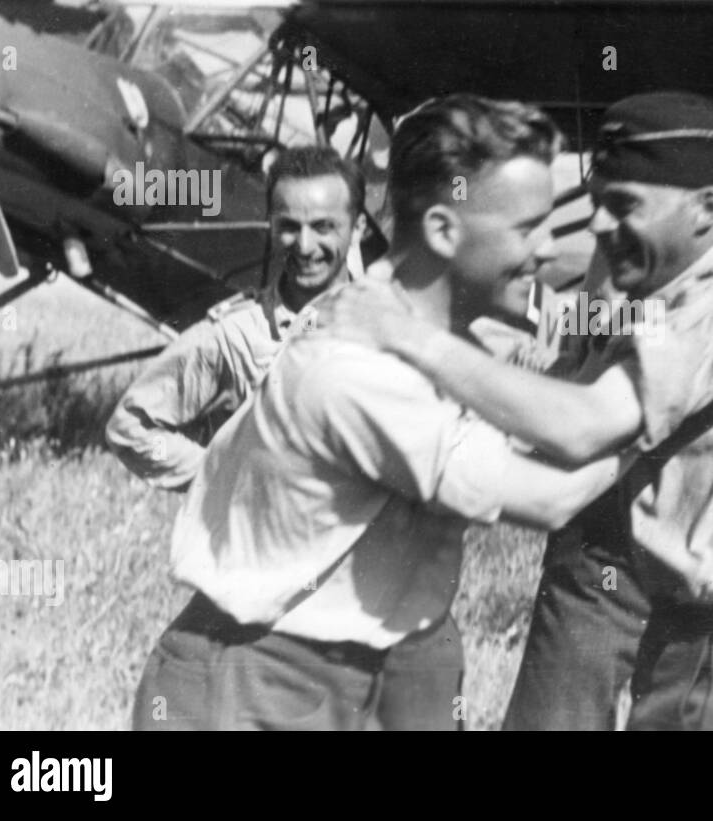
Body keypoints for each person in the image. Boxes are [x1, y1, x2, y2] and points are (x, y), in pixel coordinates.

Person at [328, 91, 713, 730]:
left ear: (709, 209)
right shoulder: (711, 299)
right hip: (710, 648)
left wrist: (409, 338)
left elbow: (579, 427)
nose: (600, 229)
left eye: (624, 205)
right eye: (600, 202)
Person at [132, 94, 629, 731]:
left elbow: (554, 399)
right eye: (527, 226)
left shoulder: (443, 335)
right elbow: (553, 497)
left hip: (360, 667)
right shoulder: (361, 370)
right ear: (445, 230)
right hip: (256, 679)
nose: (546, 249)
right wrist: (663, 406)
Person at [106, 145, 366, 491]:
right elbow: (131, 427)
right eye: (289, 227)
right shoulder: (236, 337)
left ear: (358, 228)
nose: (304, 246)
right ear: (270, 226)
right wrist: (220, 479)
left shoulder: (399, 328)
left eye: (323, 227)